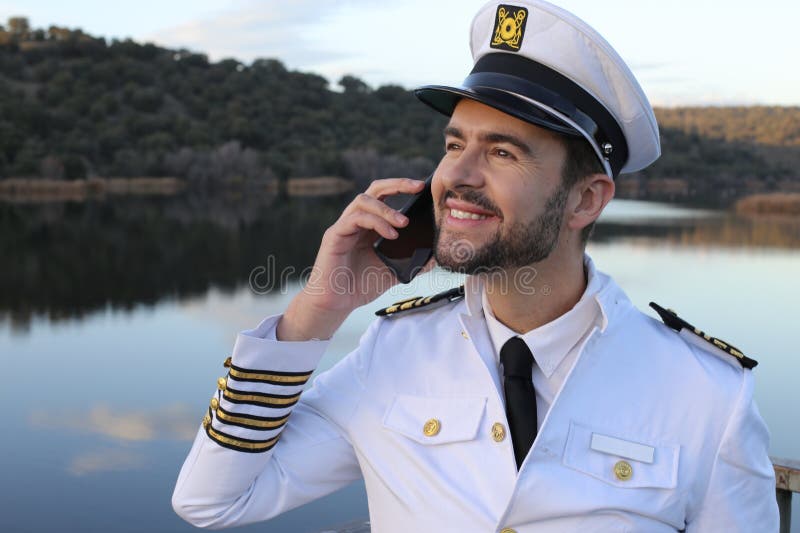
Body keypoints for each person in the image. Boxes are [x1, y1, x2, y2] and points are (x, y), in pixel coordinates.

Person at [172, 1, 779, 531]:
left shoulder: (706, 394)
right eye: (455, 144)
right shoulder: (393, 353)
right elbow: (213, 501)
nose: (457, 177)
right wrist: (317, 309)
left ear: (586, 199)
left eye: (503, 152)